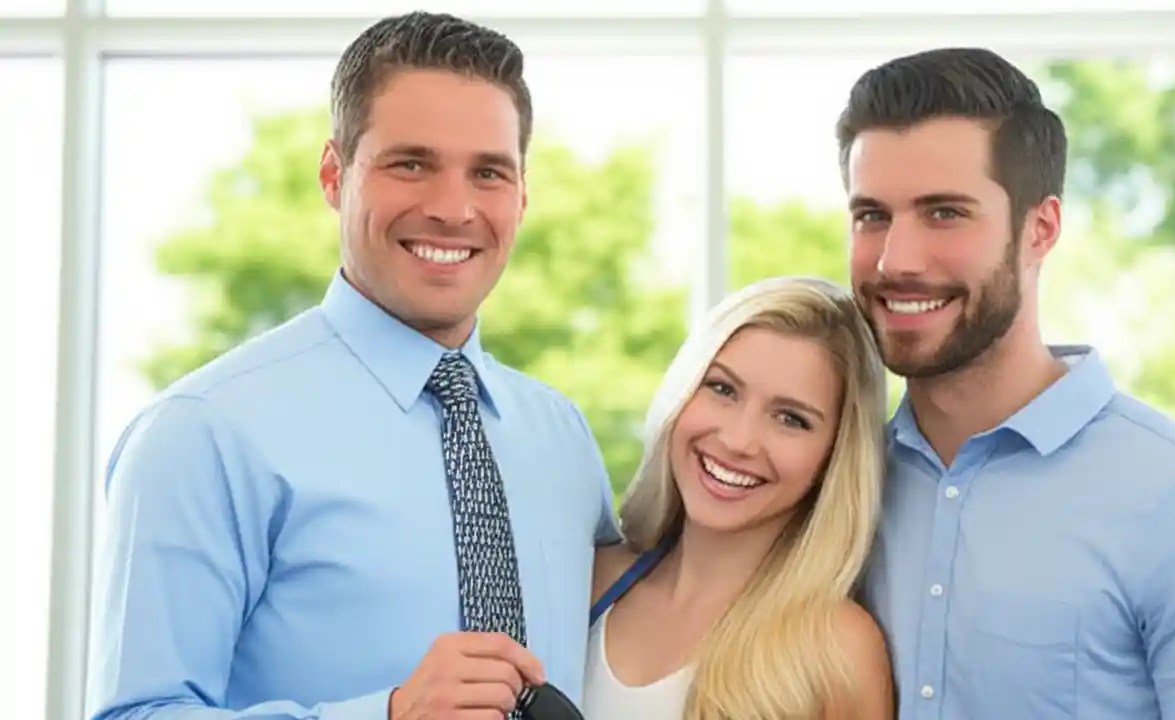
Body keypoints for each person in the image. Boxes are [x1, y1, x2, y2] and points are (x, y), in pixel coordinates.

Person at [85, 12, 618, 719]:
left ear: (521, 196)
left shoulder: (564, 438)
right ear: (335, 175)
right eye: (411, 164)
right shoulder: (203, 435)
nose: (453, 209)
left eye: (488, 173)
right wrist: (387, 715)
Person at [838, 47, 1175, 720]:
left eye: (945, 213)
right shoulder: (838, 485)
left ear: (1040, 228)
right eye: (872, 215)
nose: (897, 260)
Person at [583, 276, 896, 720]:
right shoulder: (592, 581)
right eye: (723, 389)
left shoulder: (836, 649)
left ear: (834, 454)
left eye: (791, 418)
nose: (738, 440)